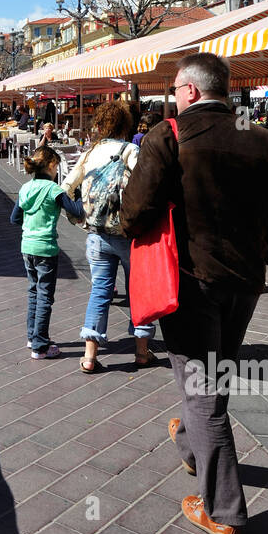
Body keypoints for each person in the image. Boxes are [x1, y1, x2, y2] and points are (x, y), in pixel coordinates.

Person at [121, 52, 268, 534]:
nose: (174, 97)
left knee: (203, 393)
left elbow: (136, 210)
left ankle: (225, 511)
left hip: (189, 279)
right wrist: (256, 252)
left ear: (191, 91)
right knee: (210, 382)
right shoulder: (265, 141)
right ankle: (190, 444)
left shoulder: (169, 135)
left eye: (176, 89)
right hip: (244, 280)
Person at [61, 100, 148, 373]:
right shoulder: (131, 150)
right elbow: (147, 184)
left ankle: (89, 356)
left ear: (99, 126)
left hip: (96, 234)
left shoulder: (90, 152)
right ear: (125, 126)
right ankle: (142, 352)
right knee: (138, 291)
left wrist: (77, 215)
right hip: (128, 234)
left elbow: (64, 188)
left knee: (99, 291)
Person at [11, 145, 85, 359]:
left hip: (27, 247)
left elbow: (15, 218)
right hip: (46, 249)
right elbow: (77, 212)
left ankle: (32, 337)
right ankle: (40, 346)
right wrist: (78, 191)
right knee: (45, 296)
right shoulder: (54, 190)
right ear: (52, 165)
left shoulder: (25, 188)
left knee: (33, 292)